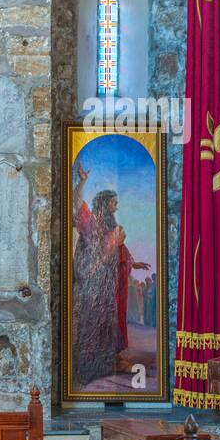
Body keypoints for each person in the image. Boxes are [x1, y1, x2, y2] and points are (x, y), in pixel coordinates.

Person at [71, 161, 151, 385]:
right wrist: (82, 182)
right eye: (114, 203)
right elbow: (77, 205)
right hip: (95, 285)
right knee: (95, 326)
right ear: (105, 204)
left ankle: (111, 360)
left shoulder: (110, 228)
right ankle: (94, 367)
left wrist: (133, 263)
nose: (116, 208)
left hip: (111, 286)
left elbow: (119, 251)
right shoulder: (92, 223)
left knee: (111, 323)